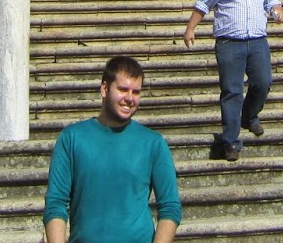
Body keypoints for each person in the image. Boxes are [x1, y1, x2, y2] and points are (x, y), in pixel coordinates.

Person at [43, 55, 181, 243]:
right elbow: (56, 204)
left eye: (136, 92)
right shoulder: (71, 138)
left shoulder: (153, 143)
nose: (129, 98)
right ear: (105, 89)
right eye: (123, 89)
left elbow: (170, 207)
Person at [183, 0, 283, 162]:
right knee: (231, 91)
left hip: (257, 41)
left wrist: (277, 11)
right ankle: (231, 141)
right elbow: (203, 5)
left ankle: (249, 116)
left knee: (263, 82)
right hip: (229, 42)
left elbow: (273, 1)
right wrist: (190, 29)